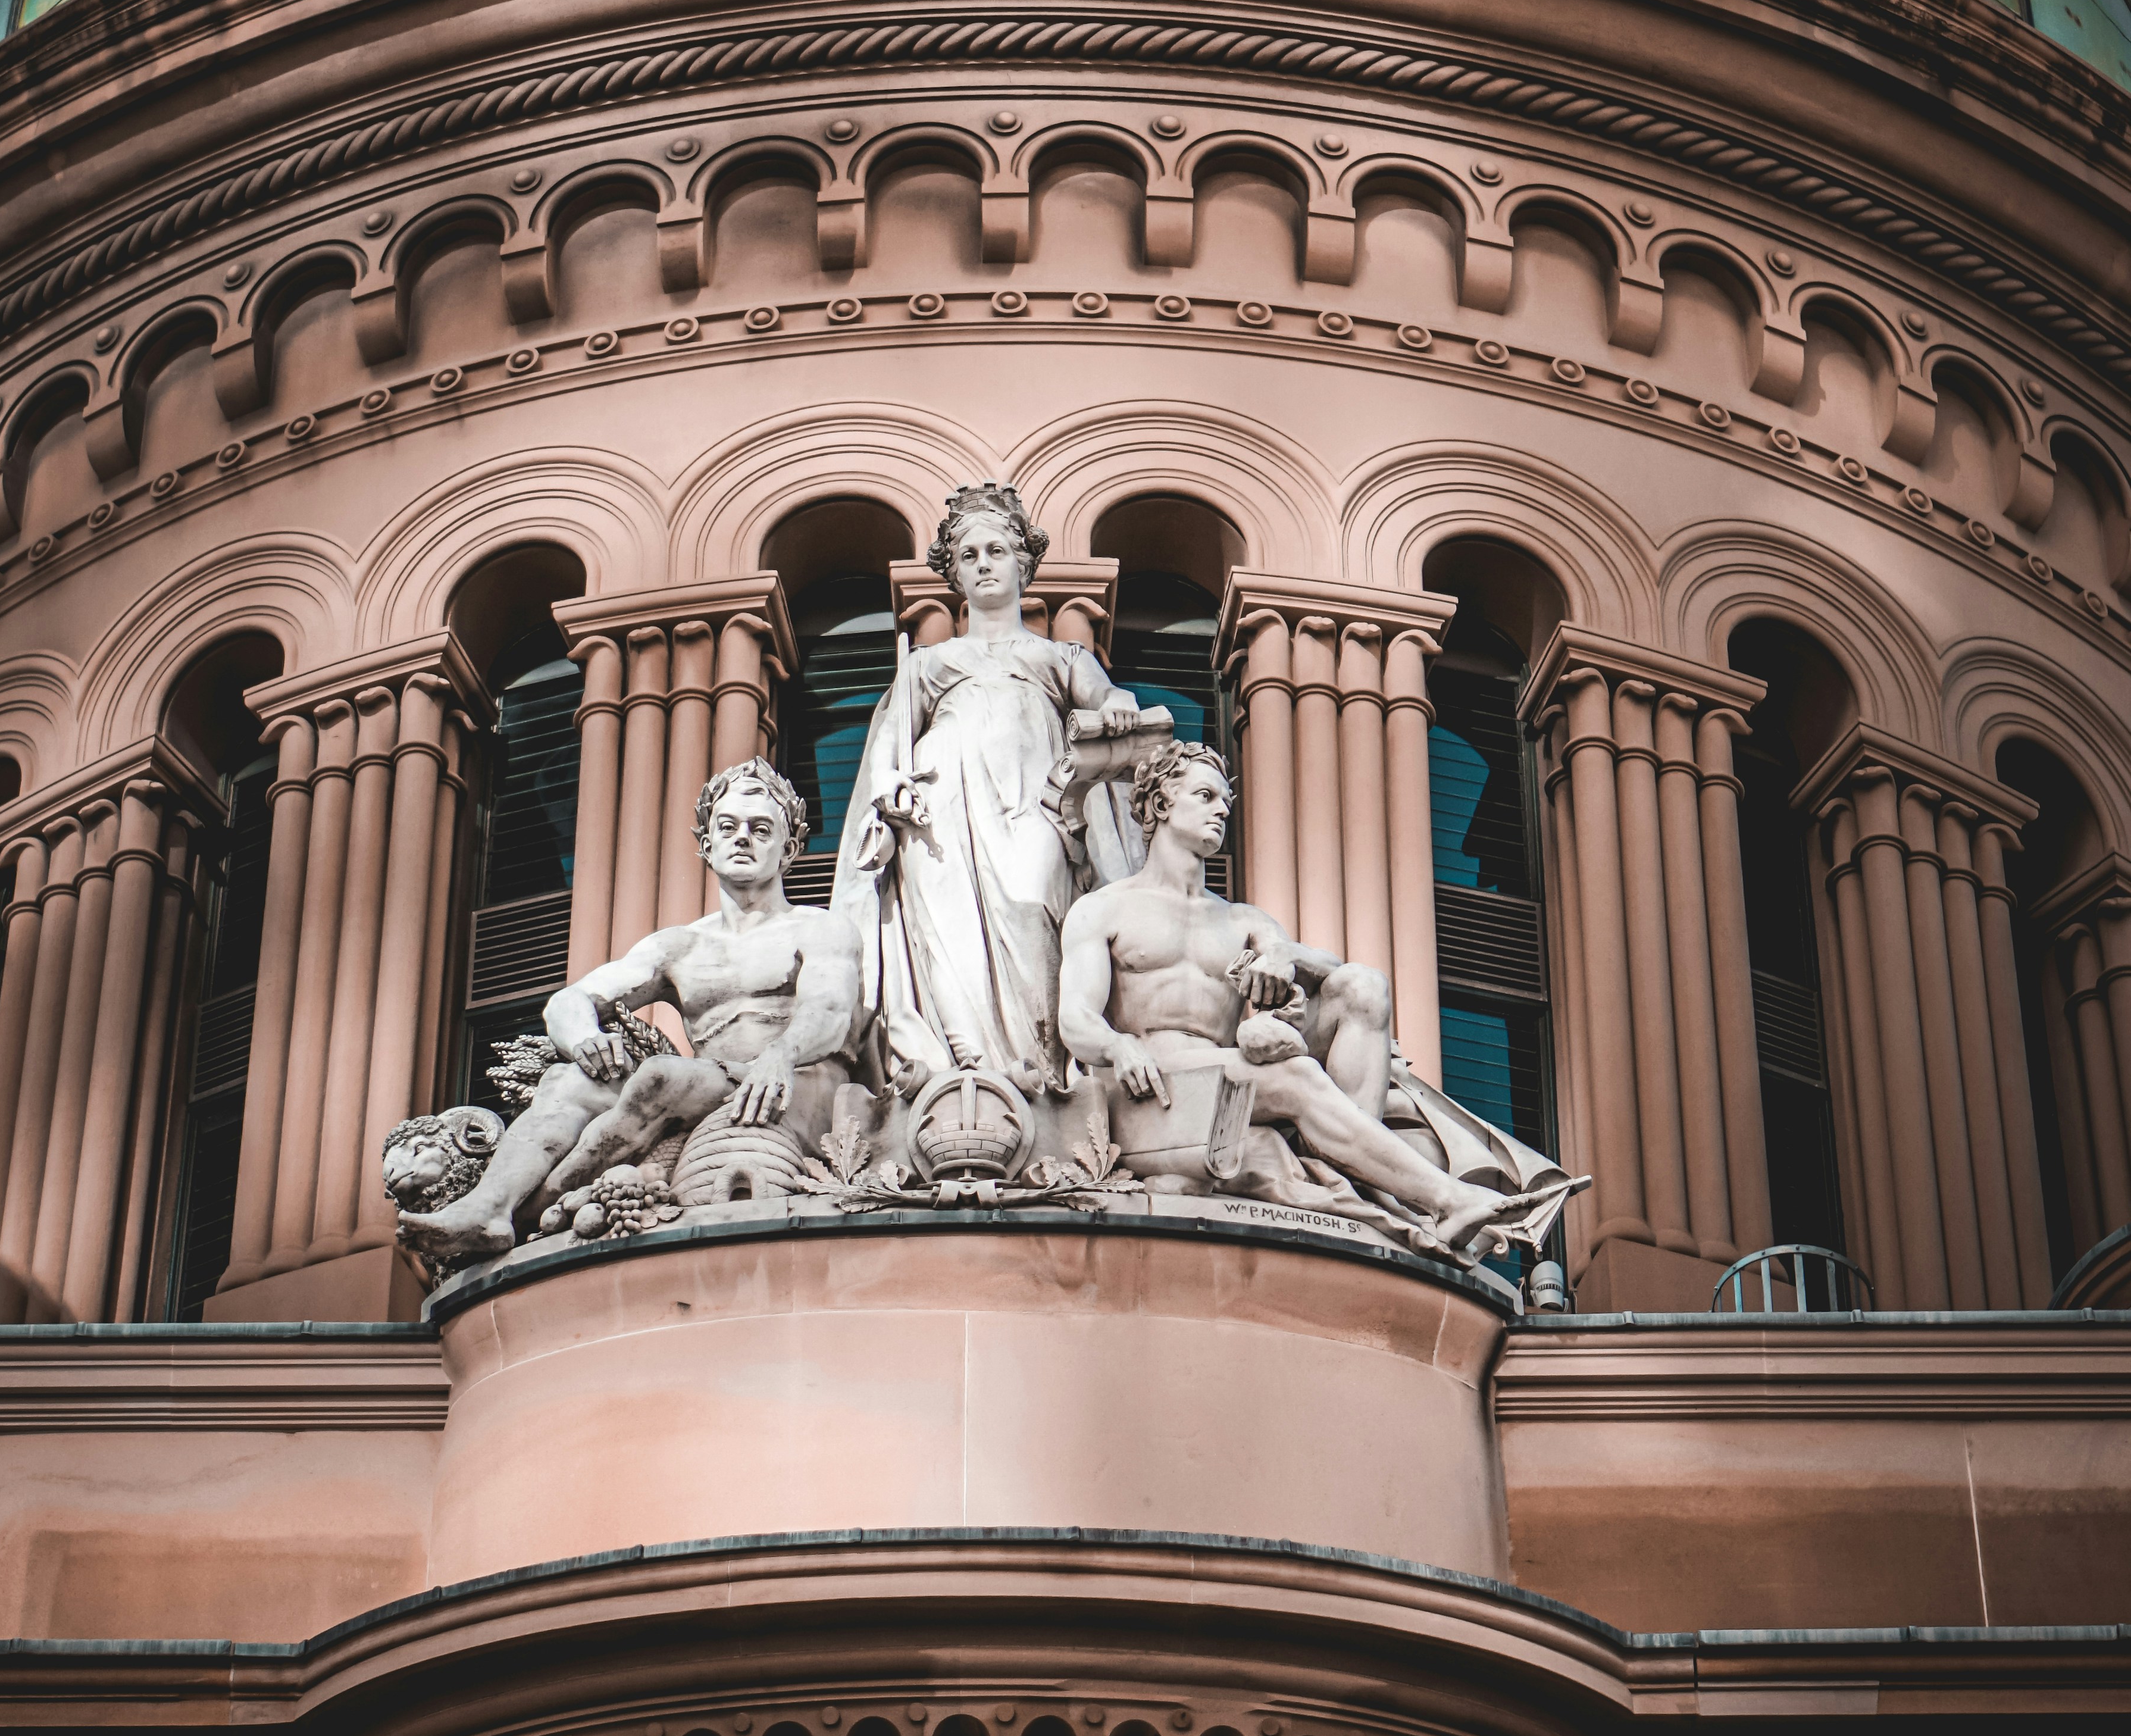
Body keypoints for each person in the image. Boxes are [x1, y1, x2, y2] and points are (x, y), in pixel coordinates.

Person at [1058, 738, 1557, 1259]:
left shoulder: (1244, 921)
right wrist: (1116, 1046)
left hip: (1222, 1081)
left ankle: (1352, 1167)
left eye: (1226, 802)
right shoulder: (1105, 909)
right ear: (1161, 805)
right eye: (1205, 796)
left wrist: (1282, 959)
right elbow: (1075, 1016)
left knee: (1364, 987)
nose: (1221, 811)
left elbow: (1334, 981)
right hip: (1147, 1096)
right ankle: (1445, 1197)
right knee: (1296, 1075)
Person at [398, 757, 862, 1262]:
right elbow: (568, 1002)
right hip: (717, 1084)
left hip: (799, 1087)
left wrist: (781, 1054)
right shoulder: (679, 947)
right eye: (727, 827)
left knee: (662, 1076)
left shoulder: (819, 928)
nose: (742, 838)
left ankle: (533, 1213)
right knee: (568, 1082)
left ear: (788, 848)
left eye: (760, 829)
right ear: (707, 846)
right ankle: (489, 1209)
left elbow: (830, 1010)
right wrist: (585, 1042)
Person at [833, 481, 1147, 1095]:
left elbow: (1112, 700)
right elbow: (885, 754)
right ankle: (964, 1073)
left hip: (1036, 800)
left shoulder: (1062, 657)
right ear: (955, 572)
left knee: (1035, 907)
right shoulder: (926, 665)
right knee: (945, 935)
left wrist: (1119, 704)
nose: (983, 564)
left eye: (996, 550)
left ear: (1023, 564)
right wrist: (891, 789)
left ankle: (1042, 1074)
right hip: (941, 808)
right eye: (969, 555)